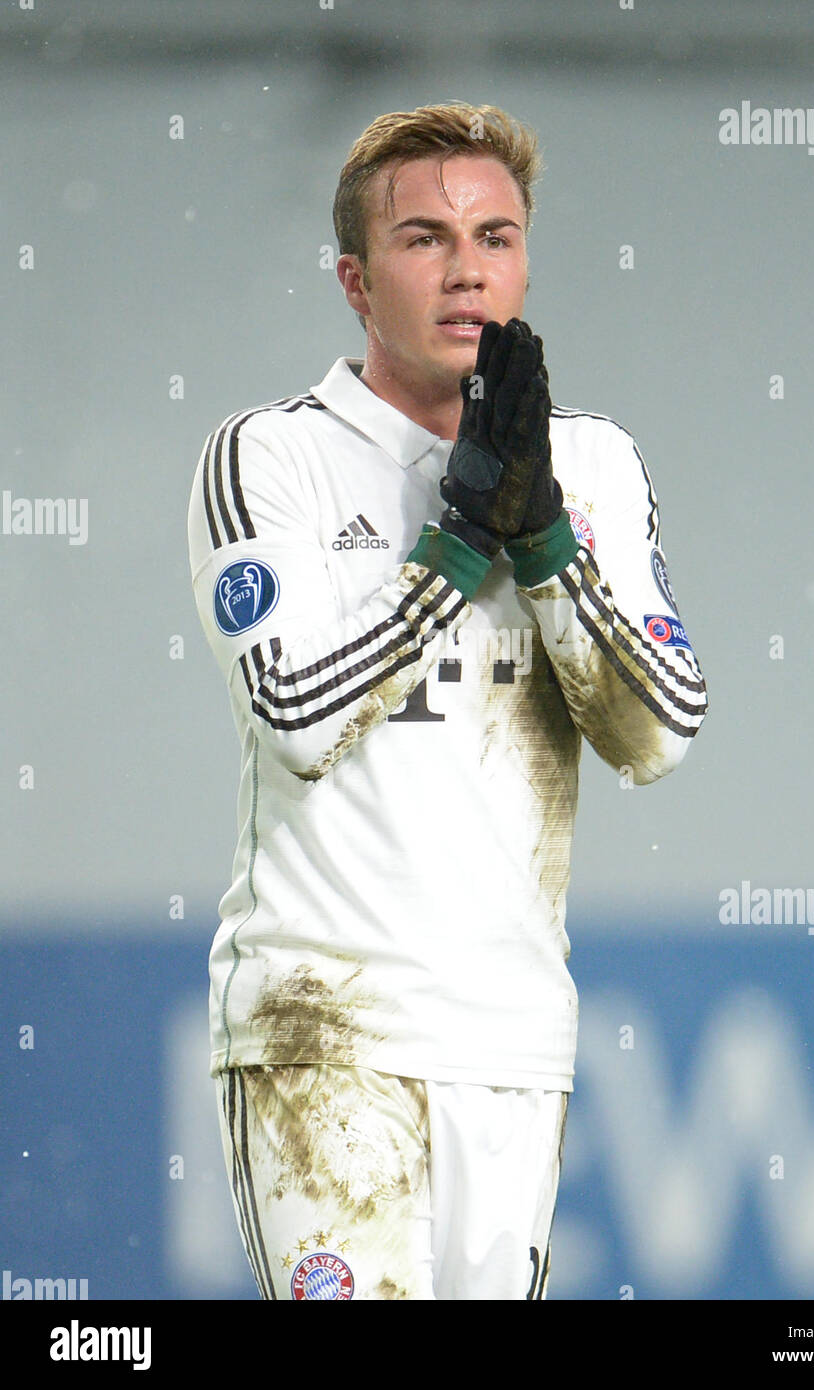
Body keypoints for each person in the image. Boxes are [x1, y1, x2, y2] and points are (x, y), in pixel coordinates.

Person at [187, 101, 708, 1302]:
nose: (467, 267)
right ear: (357, 283)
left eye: (497, 235)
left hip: (515, 1040)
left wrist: (542, 545)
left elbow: (661, 732)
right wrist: (459, 544)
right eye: (424, 238)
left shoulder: (598, 464)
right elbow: (299, 717)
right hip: (324, 1029)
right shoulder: (268, 457)